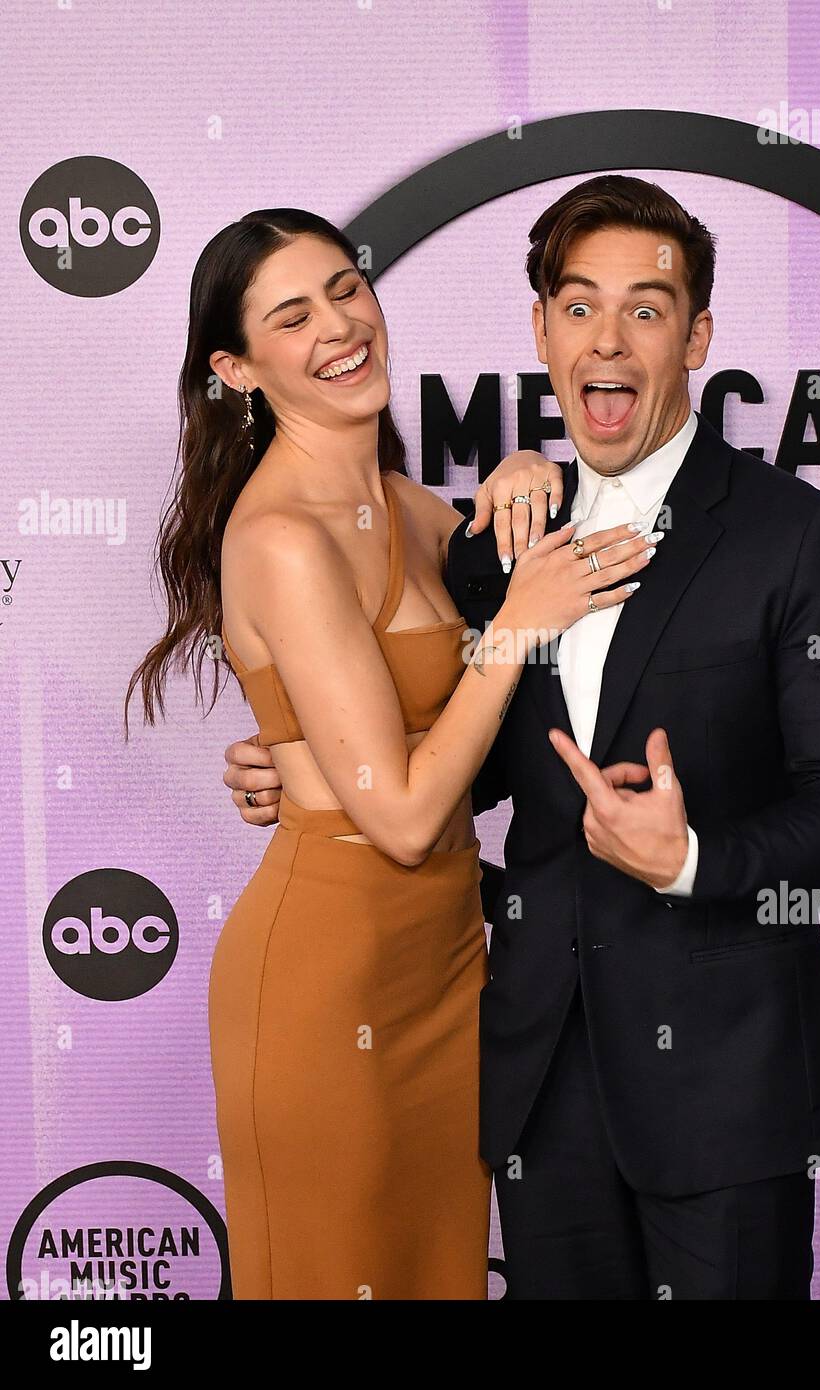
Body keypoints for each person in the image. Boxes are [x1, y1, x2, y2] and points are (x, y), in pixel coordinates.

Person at [225, 177, 820, 1299]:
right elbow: (456, 766)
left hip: (726, 1086)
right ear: (540, 330)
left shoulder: (798, 535)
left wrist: (691, 859)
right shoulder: (494, 545)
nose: (609, 337)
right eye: (578, 307)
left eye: (647, 307)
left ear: (698, 337)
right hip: (534, 1078)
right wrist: (298, 768)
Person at [124, 206, 657, 1300]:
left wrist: (521, 473)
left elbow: (471, 728)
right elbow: (406, 813)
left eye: (345, 288)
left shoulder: (414, 512)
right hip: (330, 972)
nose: (339, 323)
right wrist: (516, 623)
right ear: (236, 367)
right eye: (291, 314)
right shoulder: (279, 536)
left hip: (450, 969)